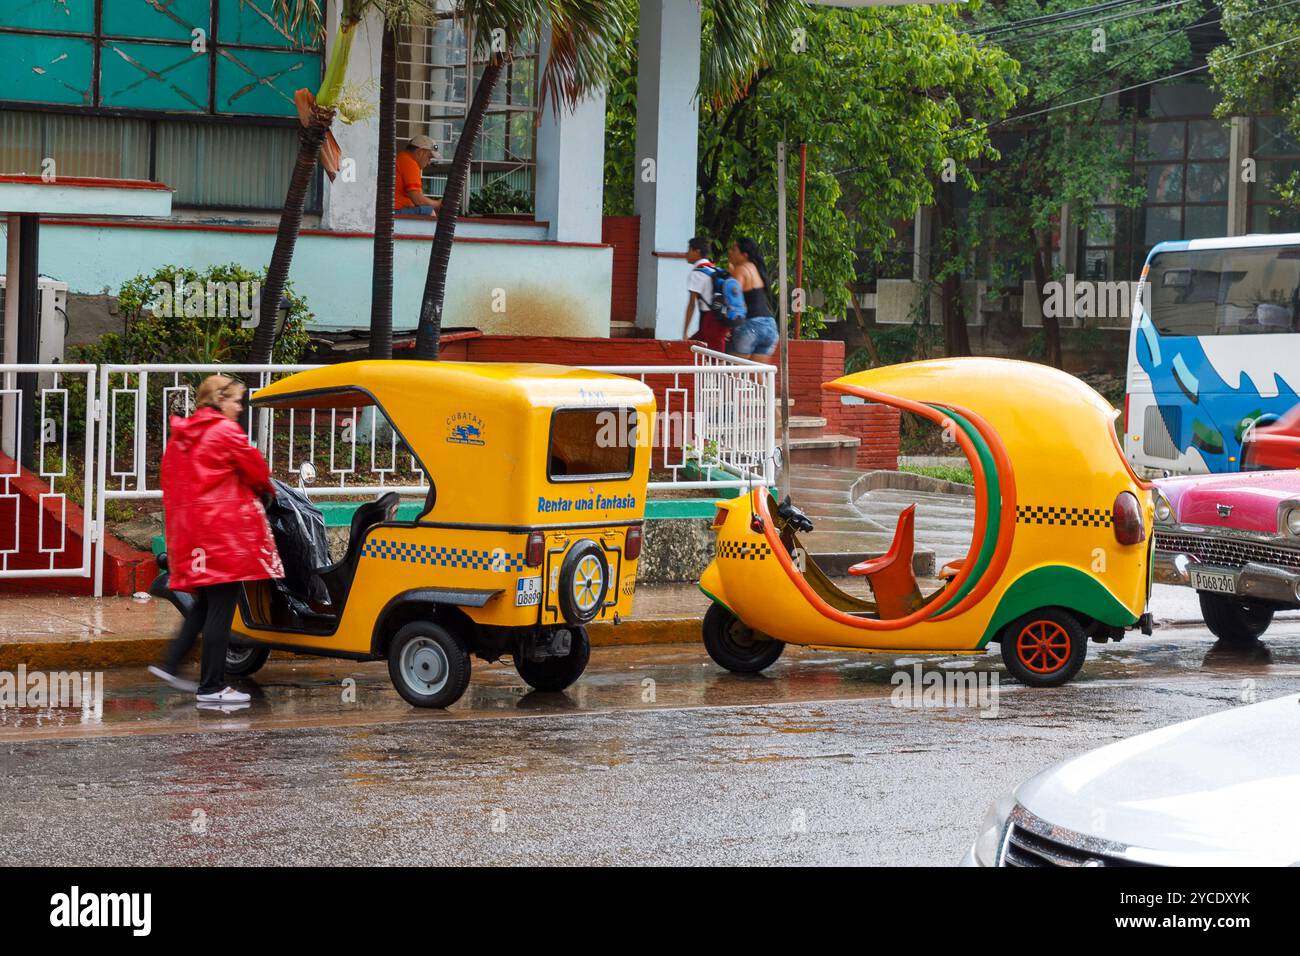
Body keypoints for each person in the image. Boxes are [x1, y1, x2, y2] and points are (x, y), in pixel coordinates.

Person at [149, 375, 284, 705]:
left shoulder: (183, 436)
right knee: (221, 608)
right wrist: (267, 491)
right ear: (220, 400)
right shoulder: (224, 430)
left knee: (205, 604)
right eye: (236, 400)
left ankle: (170, 664)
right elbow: (256, 469)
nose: (240, 407)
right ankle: (211, 686)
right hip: (223, 534)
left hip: (193, 534)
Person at [728, 237, 779, 360]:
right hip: (770, 326)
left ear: (744, 255)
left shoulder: (740, 269)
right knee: (757, 371)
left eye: (734, 249)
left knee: (734, 370)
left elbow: (735, 299)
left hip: (751, 325)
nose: (730, 252)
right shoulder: (755, 268)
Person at [682, 236, 730, 353]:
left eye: (689, 250)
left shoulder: (697, 273)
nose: (686, 254)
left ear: (697, 251)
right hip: (721, 317)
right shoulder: (714, 270)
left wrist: (685, 332)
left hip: (709, 320)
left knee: (714, 358)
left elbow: (692, 304)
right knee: (699, 352)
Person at [395, 134, 443, 217]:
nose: (429, 163)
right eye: (429, 157)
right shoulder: (410, 163)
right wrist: (438, 204)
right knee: (428, 211)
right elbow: (418, 200)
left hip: (390, 211)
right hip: (395, 212)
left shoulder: (401, 158)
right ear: (420, 152)